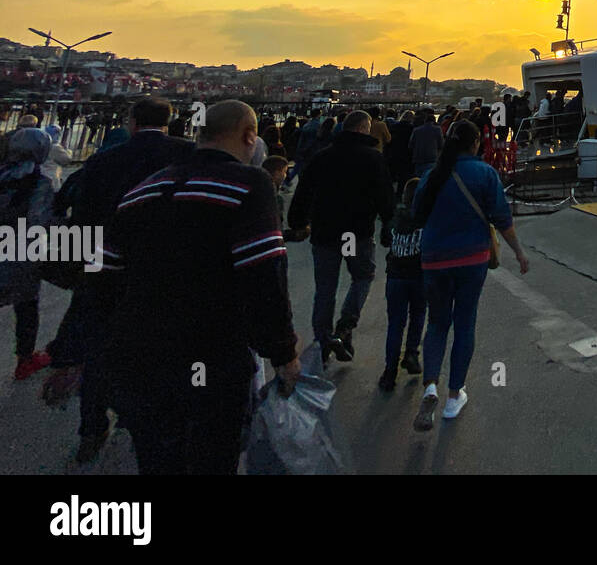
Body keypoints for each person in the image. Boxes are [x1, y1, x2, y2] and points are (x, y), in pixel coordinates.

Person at [100, 100, 299, 475]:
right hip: (209, 355)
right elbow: (264, 274)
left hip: (137, 357)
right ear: (249, 136)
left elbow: (103, 277)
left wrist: (81, 355)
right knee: (209, 456)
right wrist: (283, 353)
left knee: (158, 461)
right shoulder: (247, 183)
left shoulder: (143, 190)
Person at [45, 96, 194, 463]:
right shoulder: (189, 156)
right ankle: (141, 417)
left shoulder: (103, 161)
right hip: (166, 272)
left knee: (98, 350)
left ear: (131, 122)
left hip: (104, 268)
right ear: (169, 120)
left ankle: (92, 428)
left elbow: (81, 220)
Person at [410, 119, 528, 429]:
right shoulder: (485, 173)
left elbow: (415, 215)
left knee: (436, 324)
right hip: (471, 259)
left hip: (434, 258)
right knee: (465, 323)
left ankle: (430, 385)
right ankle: (454, 395)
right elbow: (502, 218)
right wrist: (518, 251)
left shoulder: (430, 175)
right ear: (476, 144)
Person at [288, 110, 394, 364]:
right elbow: (385, 196)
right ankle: (346, 324)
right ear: (362, 129)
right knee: (362, 276)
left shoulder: (323, 157)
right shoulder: (373, 158)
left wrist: (298, 222)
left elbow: (304, 192)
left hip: (325, 231)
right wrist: (388, 224)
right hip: (357, 231)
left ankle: (323, 340)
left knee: (325, 288)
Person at [1, 128, 55, 380]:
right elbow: (39, 221)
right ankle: (25, 359)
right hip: (20, 254)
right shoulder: (40, 183)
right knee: (26, 307)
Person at [378, 178, 426, 391]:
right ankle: (412, 353)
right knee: (418, 315)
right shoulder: (426, 218)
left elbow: (385, 240)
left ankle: (390, 371)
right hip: (419, 276)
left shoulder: (395, 218)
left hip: (396, 276)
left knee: (395, 324)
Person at [409, 110, 445, 178]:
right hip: (432, 158)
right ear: (434, 121)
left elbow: (411, 145)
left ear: (425, 120)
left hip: (418, 158)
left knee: (418, 178)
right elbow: (441, 144)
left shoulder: (416, 130)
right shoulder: (437, 129)